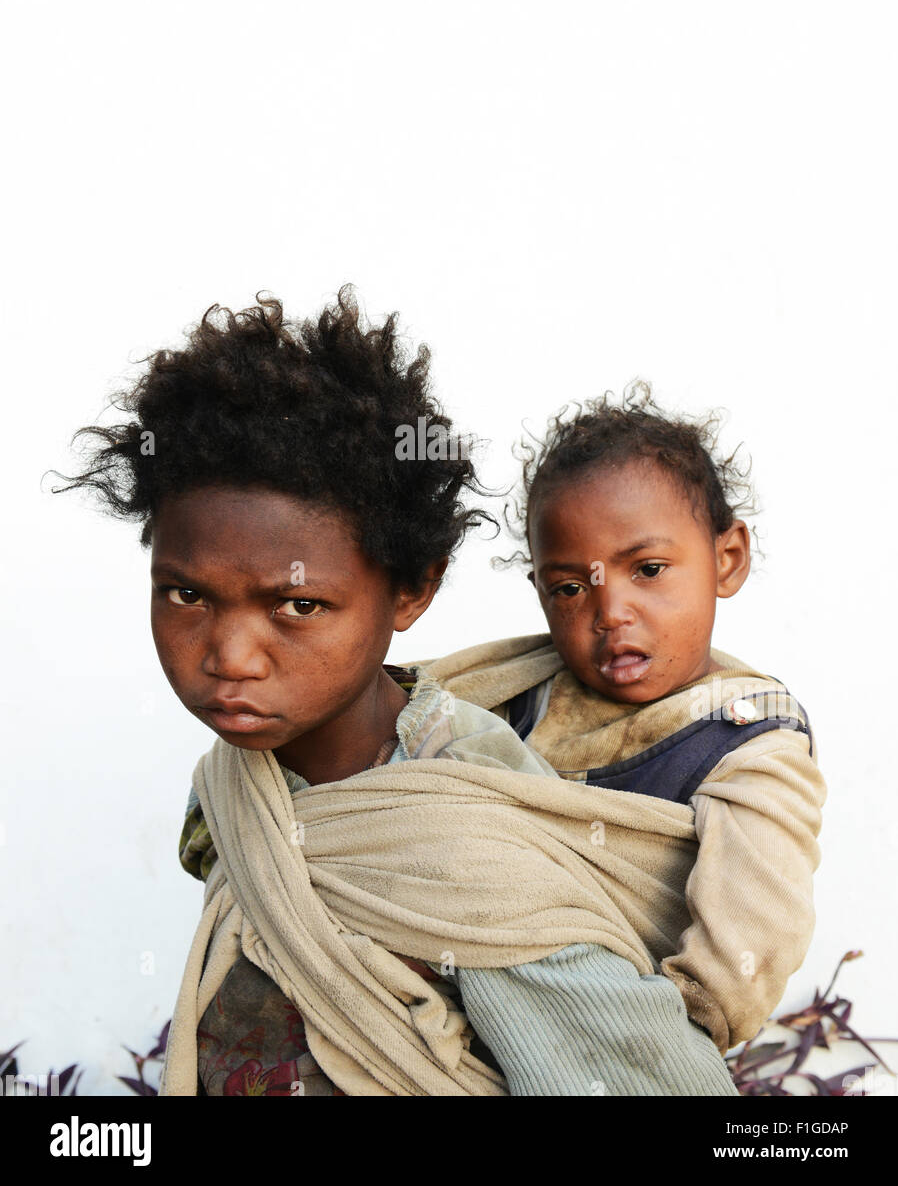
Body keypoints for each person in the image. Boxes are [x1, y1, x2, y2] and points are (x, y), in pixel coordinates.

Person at [54, 297, 737, 1096]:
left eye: (298, 605)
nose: (229, 656)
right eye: (186, 595)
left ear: (411, 590)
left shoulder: (466, 837)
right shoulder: (240, 781)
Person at [420, 383, 826, 1056]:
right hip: (470, 992)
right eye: (571, 588)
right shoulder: (515, 693)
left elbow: (756, 933)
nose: (609, 613)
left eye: (649, 568)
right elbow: (397, 745)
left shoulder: (750, 741)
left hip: (620, 1028)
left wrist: (662, 1040)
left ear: (727, 560)